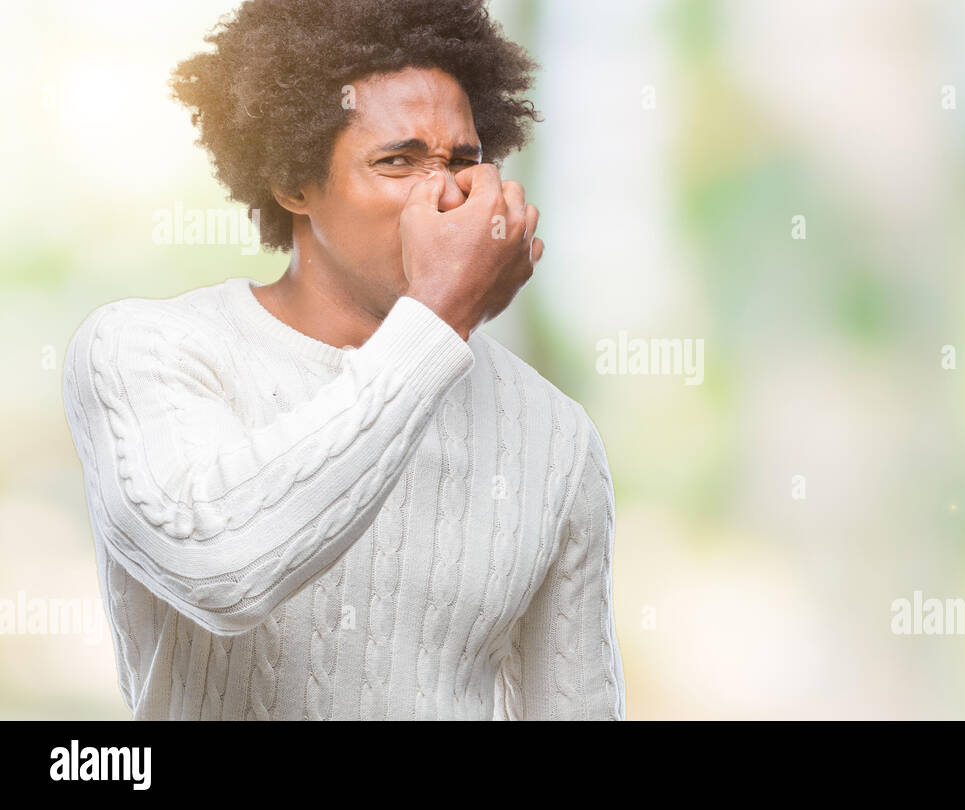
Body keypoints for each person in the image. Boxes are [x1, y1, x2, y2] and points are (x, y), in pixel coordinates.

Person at [60, 0, 624, 720]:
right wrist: (442, 317)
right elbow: (221, 569)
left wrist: (436, 324)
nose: (446, 192)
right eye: (399, 161)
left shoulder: (554, 433)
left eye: (464, 160)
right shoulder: (145, 351)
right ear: (293, 181)